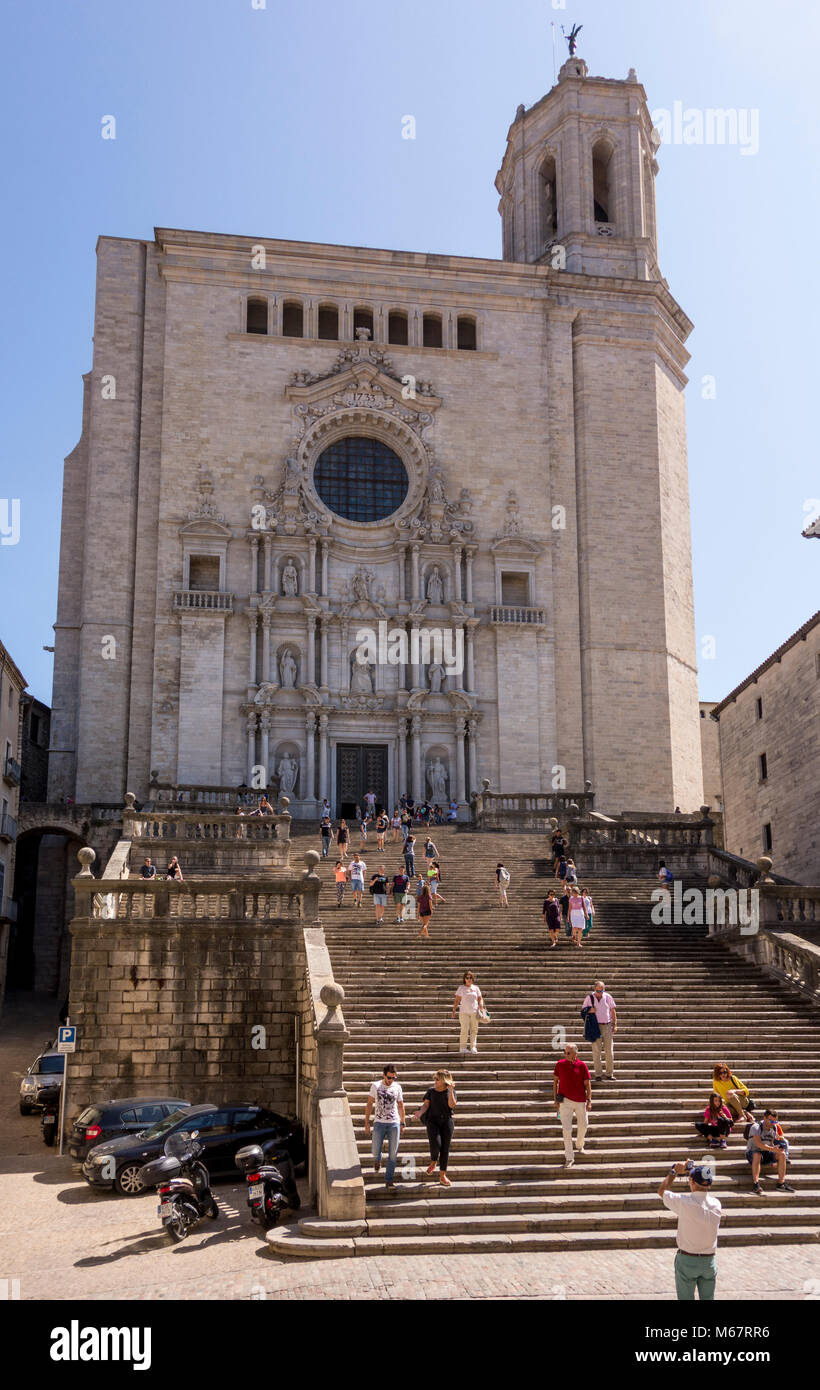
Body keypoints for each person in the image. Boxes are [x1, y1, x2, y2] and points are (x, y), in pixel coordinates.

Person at [657, 1161, 722, 1301]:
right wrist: (693, 1172)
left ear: (691, 1181)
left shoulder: (684, 1202)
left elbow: (662, 1191)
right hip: (709, 1260)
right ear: (709, 1184)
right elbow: (700, 1184)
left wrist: (674, 1171)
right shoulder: (717, 1204)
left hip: (687, 1259)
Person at [364, 1064, 405, 1191]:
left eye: (393, 1078)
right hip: (379, 1123)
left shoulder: (397, 1087)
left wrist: (403, 1122)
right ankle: (377, 1159)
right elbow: (369, 1104)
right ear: (384, 1075)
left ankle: (389, 1180)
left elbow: (401, 1105)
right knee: (375, 1150)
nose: (391, 1080)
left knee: (393, 1154)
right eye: (389, 1077)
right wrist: (366, 1122)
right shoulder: (375, 1086)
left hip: (394, 1123)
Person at [414, 1070, 457, 1186]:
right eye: (435, 1078)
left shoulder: (450, 1091)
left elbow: (452, 1105)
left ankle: (442, 1176)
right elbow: (426, 1105)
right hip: (432, 1121)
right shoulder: (430, 1091)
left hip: (447, 1121)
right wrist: (420, 1112)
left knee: (445, 1148)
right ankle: (433, 1161)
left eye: (437, 1079)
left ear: (444, 1081)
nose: (435, 1081)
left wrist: (451, 1090)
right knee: (436, 1143)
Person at [553, 1043, 591, 1168]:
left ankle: (579, 1145)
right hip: (565, 1101)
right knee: (567, 1130)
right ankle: (569, 1158)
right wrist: (555, 1099)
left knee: (584, 1125)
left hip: (580, 1100)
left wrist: (589, 1100)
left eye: (568, 1052)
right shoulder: (560, 1064)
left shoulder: (582, 1065)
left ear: (575, 1053)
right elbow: (555, 1082)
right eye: (565, 1052)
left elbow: (587, 1084)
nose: (566, 1054)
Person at [746, 1110, 794, 1195]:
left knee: (782, 1154)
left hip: (766, 1152)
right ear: (764, 1118)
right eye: (771, 1120)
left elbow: (771, 1143)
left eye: (775, 1121)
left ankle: (781, 1183)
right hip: (753, 1153)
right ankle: (756, 1184)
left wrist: (776, 1153)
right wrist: (772, 1149)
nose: (774, 1123)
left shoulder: (774, 1128)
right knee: (757, 1154)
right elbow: (758, 1144)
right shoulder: (756, 1127)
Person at [582, 982, 617, 1079]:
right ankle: (598, 1074)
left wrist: (615, 1025)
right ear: (595, 989)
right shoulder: (589, 998)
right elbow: (583, 1011)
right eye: (598, 990)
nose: (600, 993)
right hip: (595, 1027)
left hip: (607, 1025)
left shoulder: (608, 997)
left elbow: (613, 1011)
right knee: (596, 1051)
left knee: (609, 1051)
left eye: (602, 990)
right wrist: (589, 1010)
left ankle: (609, 1074)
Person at [452, 971, 483, 1053]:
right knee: (464, 1030)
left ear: (473, 979)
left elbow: (480, 998)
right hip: (464, 1012)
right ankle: (462, 1048)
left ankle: (473, 1047)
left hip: (474, 1011)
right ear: (464, 979)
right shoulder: (461, 988)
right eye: (467, 978)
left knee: (474, 1030)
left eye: (470, 978)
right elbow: (457, 1000)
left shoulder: (476, 988)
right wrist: (454, 1010)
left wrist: (481, 1005)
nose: (469, 979)